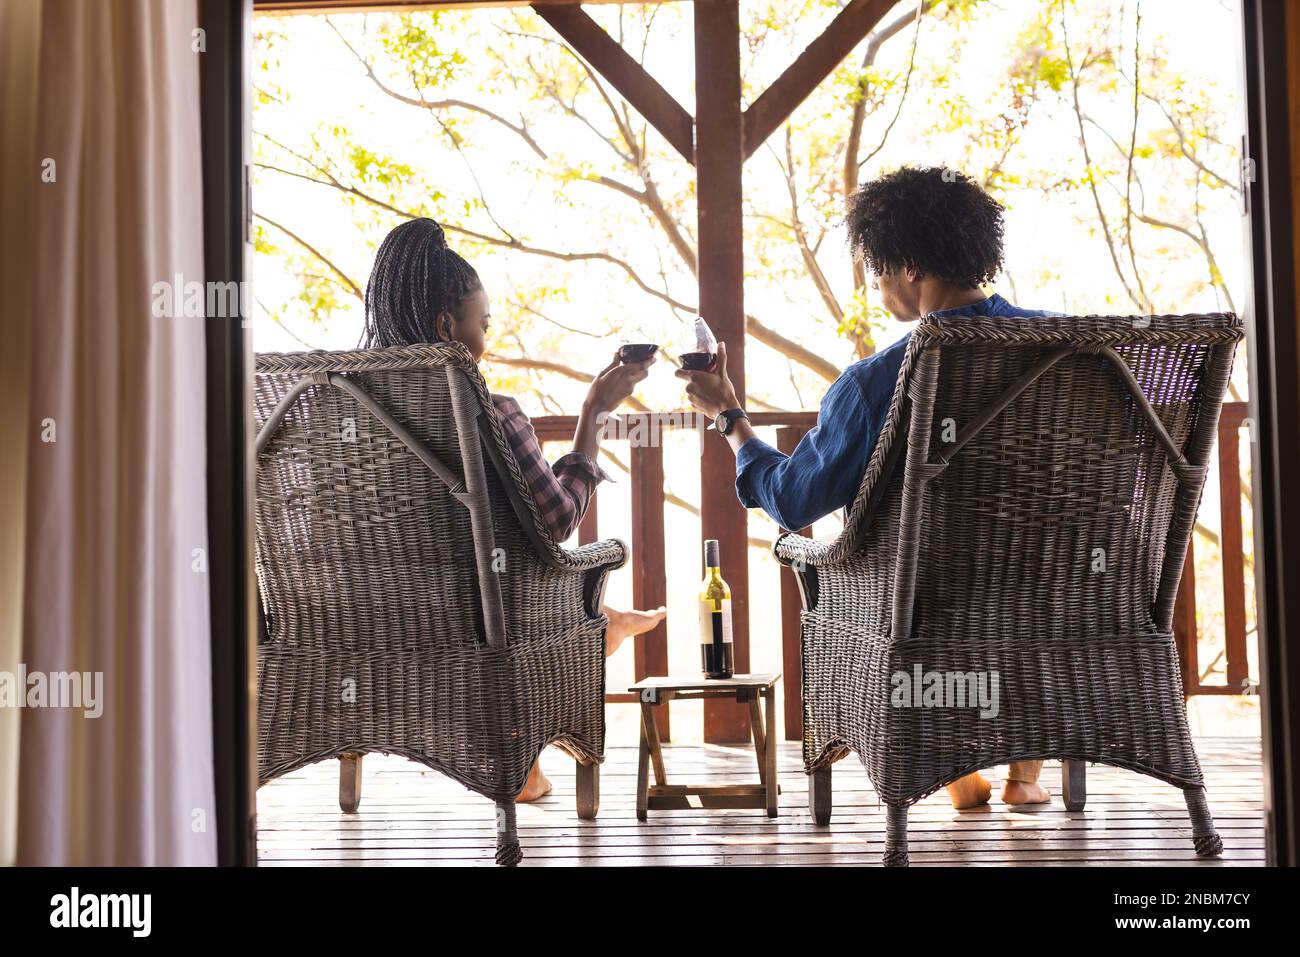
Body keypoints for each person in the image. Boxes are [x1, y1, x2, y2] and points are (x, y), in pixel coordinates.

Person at [677, 165, 1058, 809]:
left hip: (920, 606)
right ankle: (1025, 768)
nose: (875, 283)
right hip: (1057, 593)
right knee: (1001, 575)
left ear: (909, 265)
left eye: (877, 267)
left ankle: (948, 759)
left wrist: (731, 419)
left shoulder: (880, 382)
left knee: (889, 582)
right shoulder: (1069, 348)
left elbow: (794, 499)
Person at [361, 216, 666, 803]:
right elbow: (555, 522)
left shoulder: (327, 417)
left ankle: (606, 625)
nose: (486, 340)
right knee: (538, 604)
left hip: (359, 620)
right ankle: (602, 627)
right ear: (447, 326)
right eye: (484, 323)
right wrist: (592, 413)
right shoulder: (491, 415)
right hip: (474, 625)